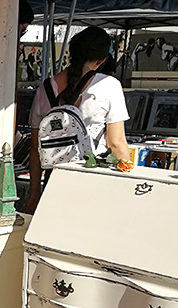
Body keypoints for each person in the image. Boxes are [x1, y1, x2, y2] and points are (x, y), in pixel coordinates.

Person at [22, 25, 131, 214]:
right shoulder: (109, 86)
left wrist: (34, 194)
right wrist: (128, 185)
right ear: (103, 59)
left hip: (54, 178)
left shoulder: (45, 88)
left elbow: (35, 148)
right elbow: (117, 143)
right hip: (92, 176)